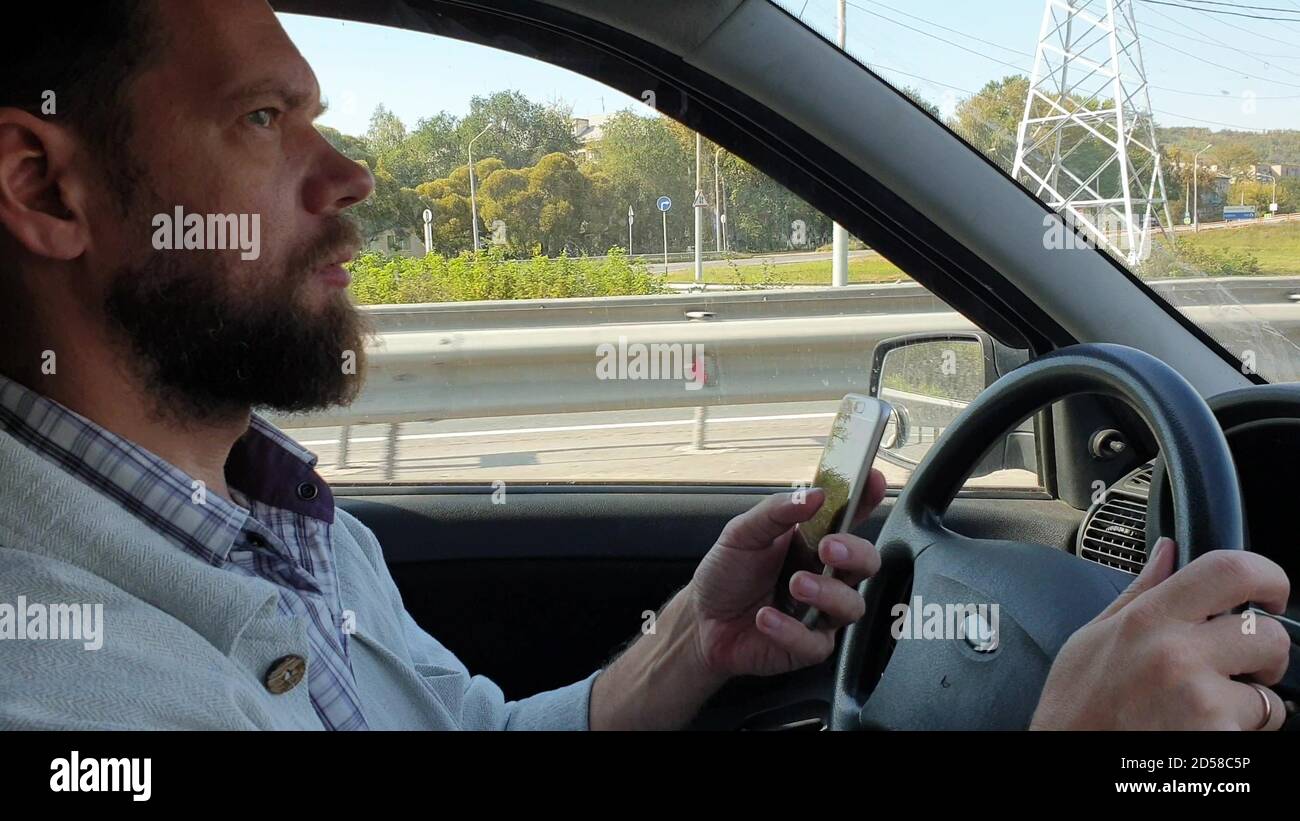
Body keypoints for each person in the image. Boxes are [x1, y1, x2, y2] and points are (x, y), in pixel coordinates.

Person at [0, 0, 1288, 730]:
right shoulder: (60, 681)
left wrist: (688, 644)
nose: (349, 178)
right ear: (45, 185)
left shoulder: (278, 521)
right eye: (263, 121)